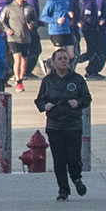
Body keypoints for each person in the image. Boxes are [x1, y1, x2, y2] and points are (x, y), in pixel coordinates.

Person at [35, 46, 92, 198]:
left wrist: (78, 103)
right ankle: (63, 189)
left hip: (73, 126)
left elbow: (87, 98)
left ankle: (76, 177)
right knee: (59, 159)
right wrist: (45, 106)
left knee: (73, 158)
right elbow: (39, 99)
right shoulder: (48, 81)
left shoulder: (77, 79)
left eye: (65, 58)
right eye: (59, 59)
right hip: (55, 126)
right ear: (53, 63)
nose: (63, 61)